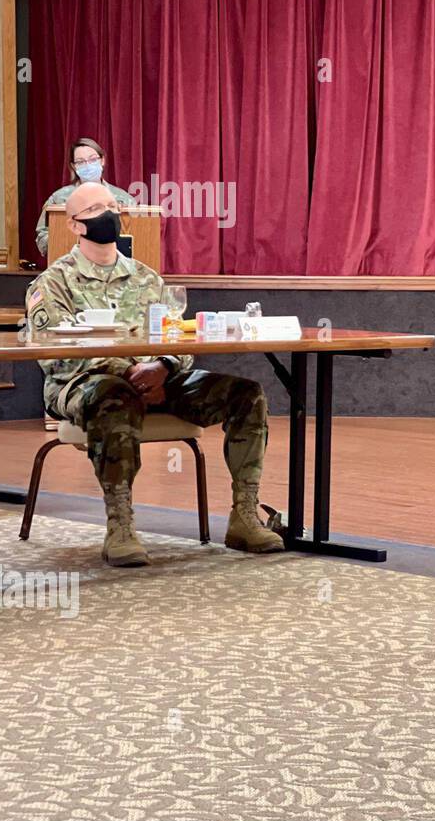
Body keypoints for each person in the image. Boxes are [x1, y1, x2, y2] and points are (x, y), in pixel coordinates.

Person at [24, 182, 284, 566]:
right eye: (96, 209)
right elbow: (54, 357)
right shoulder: (53, 283)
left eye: (112, 206)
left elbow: (175, 337)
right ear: (75, 225)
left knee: (246, 393)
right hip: (82, 386)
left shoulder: (148, 279)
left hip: (159, 379)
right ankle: (121, 525)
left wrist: (164, 367)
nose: (108, 215)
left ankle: (244, 517)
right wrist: (132, 374)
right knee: (115, 396)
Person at [34, 138, 135, 259]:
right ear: (73, 166)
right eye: (80, 162)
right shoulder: (58, 199)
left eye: (93, 159)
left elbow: (136, 235)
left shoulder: (124, 199)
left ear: (102, 160)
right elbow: (42, 236)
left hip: (114, 267)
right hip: (71, 269)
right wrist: (59, 244)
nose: (88, 165)